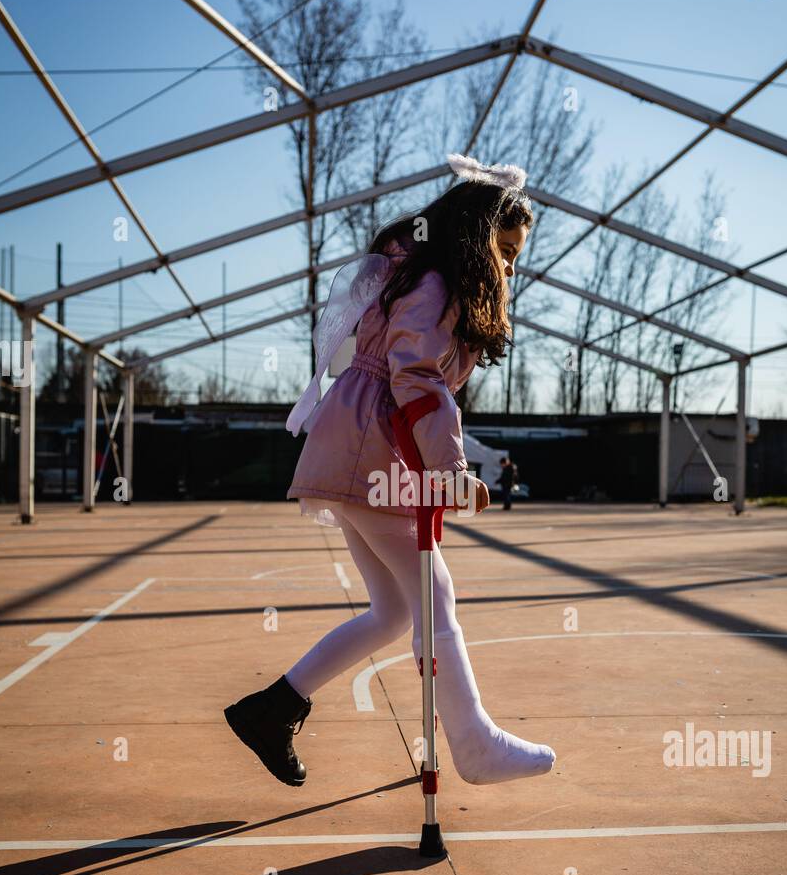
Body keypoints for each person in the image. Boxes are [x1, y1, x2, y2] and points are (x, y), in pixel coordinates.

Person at [224, 153, 556, 789]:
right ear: (476, 238)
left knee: (395, 612)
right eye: (506, 252)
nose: (510, 269)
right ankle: (474, 742)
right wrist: (452, 467)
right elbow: (417, 375)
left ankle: (274, 709)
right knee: (436, 595)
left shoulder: (417, 276)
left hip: (355, 447)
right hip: (366, 451)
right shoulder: (433, 283)